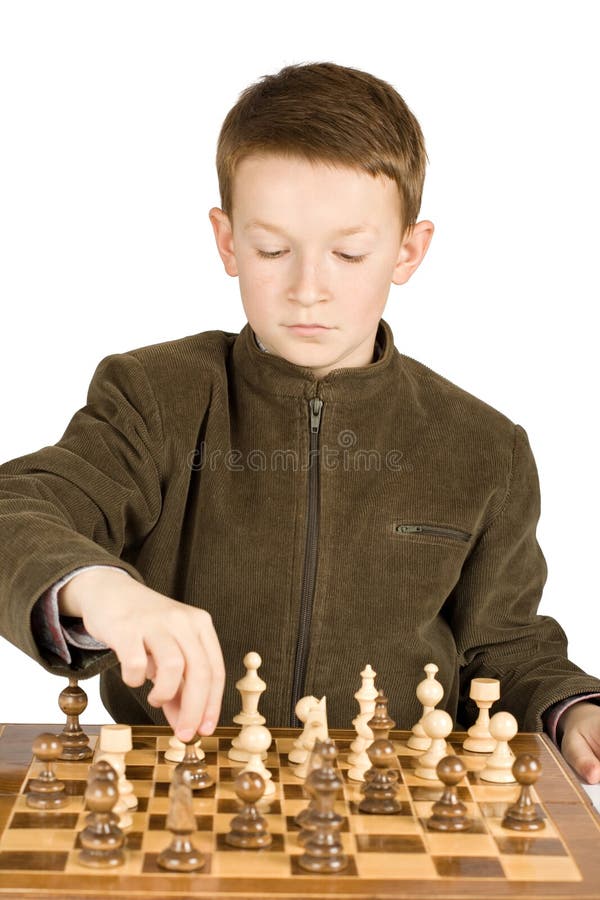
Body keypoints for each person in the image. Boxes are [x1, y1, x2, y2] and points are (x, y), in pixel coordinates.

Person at [1, 61, 599, 783]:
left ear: (408, 250)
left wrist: (573, 707)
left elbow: (505, 644)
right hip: (178, 799)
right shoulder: (154, 397)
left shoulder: (484, 449)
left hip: (393, 811)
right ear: (226, 241)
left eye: (349, 253)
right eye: (272, 250)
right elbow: (15, 510)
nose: (308, 288)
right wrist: (100, 587)